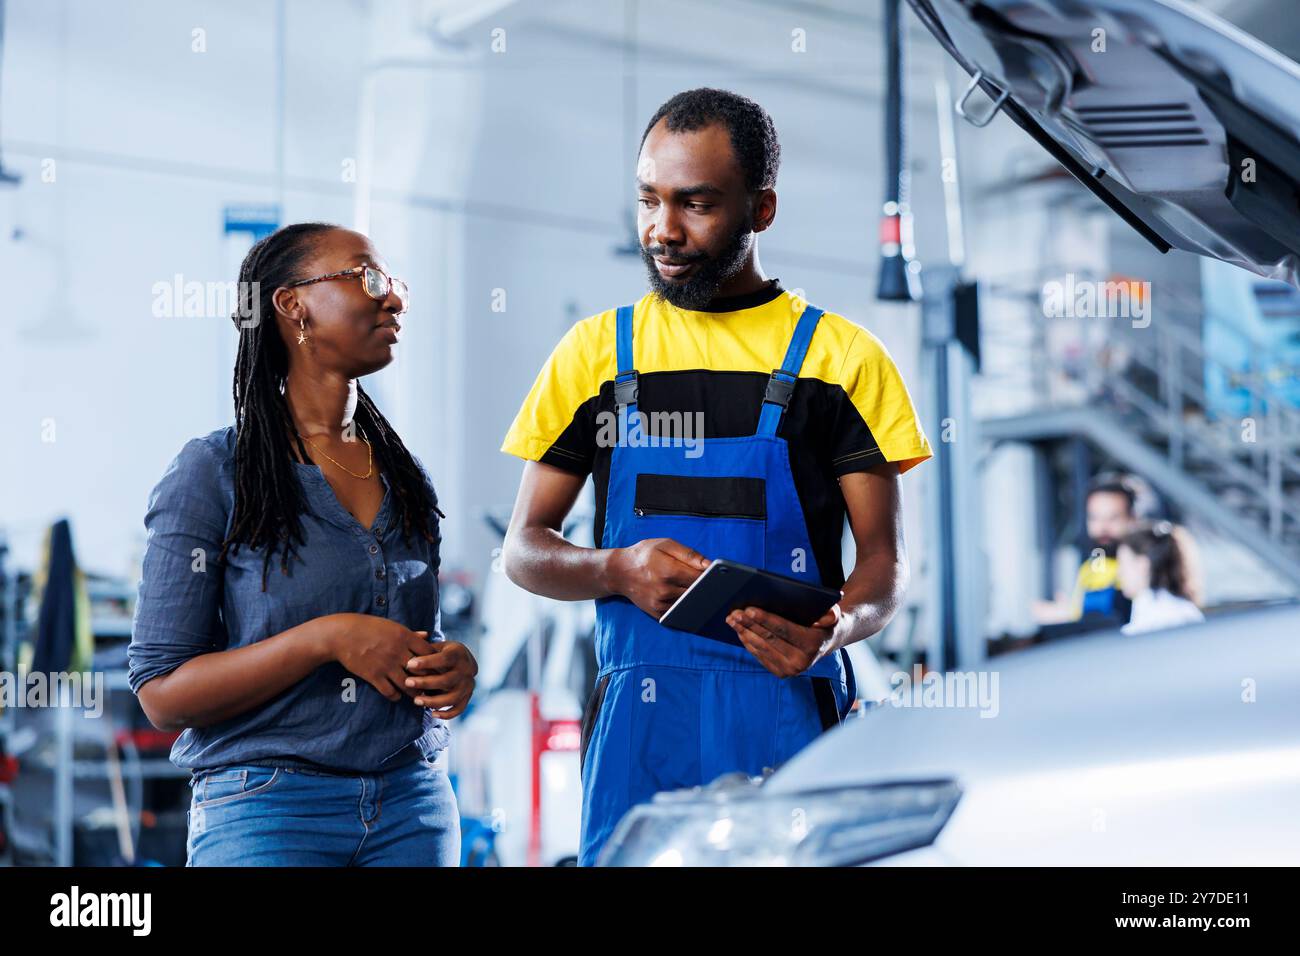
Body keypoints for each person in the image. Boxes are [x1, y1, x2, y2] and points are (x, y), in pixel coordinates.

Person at [499, 88, 932, 865]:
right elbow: (524, 550)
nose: (663, 230)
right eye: (649, 201)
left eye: (695, 204)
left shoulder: (844, 361)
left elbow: (885, 564)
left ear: (761, 209)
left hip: (791, 709)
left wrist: (837, 627)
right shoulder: (594, 356)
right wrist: (614, 570)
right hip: (639, 729)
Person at [128, 223, 477, 866]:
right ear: (293, 305)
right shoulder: (214, 472)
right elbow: (161, 692)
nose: (393, 299)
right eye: (369, 278)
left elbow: (407, 646)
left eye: (395, 284)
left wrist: (451, 667)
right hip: (268, 810)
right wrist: (327, 637)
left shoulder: (403, 475)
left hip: (414, 805)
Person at [1033, 471, 1157, 629]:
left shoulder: (1146, 566)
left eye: (1113, 518)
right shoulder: (1090, 569)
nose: (1102, 527)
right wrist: (1065, 616)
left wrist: (1067, 618)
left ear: (1133, 518)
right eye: (1094, 518)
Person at [1116, 521, 1205, 635]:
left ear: (1142, 565)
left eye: (1123, 565)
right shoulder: (1182, 609)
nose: (1119, 574)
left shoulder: (1159, 617)